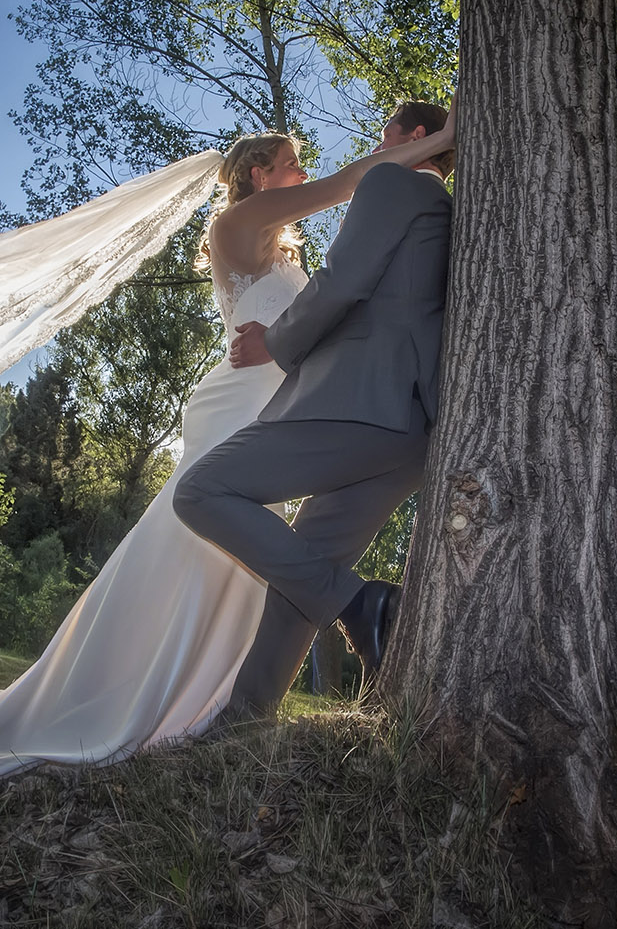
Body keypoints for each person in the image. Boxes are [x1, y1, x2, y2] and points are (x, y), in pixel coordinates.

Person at [0, 109, 454, 792]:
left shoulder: (325, 228)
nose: (301, 173)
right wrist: (438, 140)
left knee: (254, 563)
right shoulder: (240, 223)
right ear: (258, 173)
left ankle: (235, 710)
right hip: (251, 407)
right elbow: (343, 190)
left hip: (303, 405)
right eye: (290, 164)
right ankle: (135, 690)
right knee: (197, 533)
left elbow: (345, 292)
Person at [173, 101, 455, 729]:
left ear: (410, 138)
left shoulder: (393, 181)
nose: (377, 144)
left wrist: (274, 342)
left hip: (356, 405)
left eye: (386, 133)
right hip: (412, 432)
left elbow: (343, 282)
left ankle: (365, 608)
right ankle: (242, 723)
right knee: (308, 572)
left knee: (200, 491)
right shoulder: (449, 212)